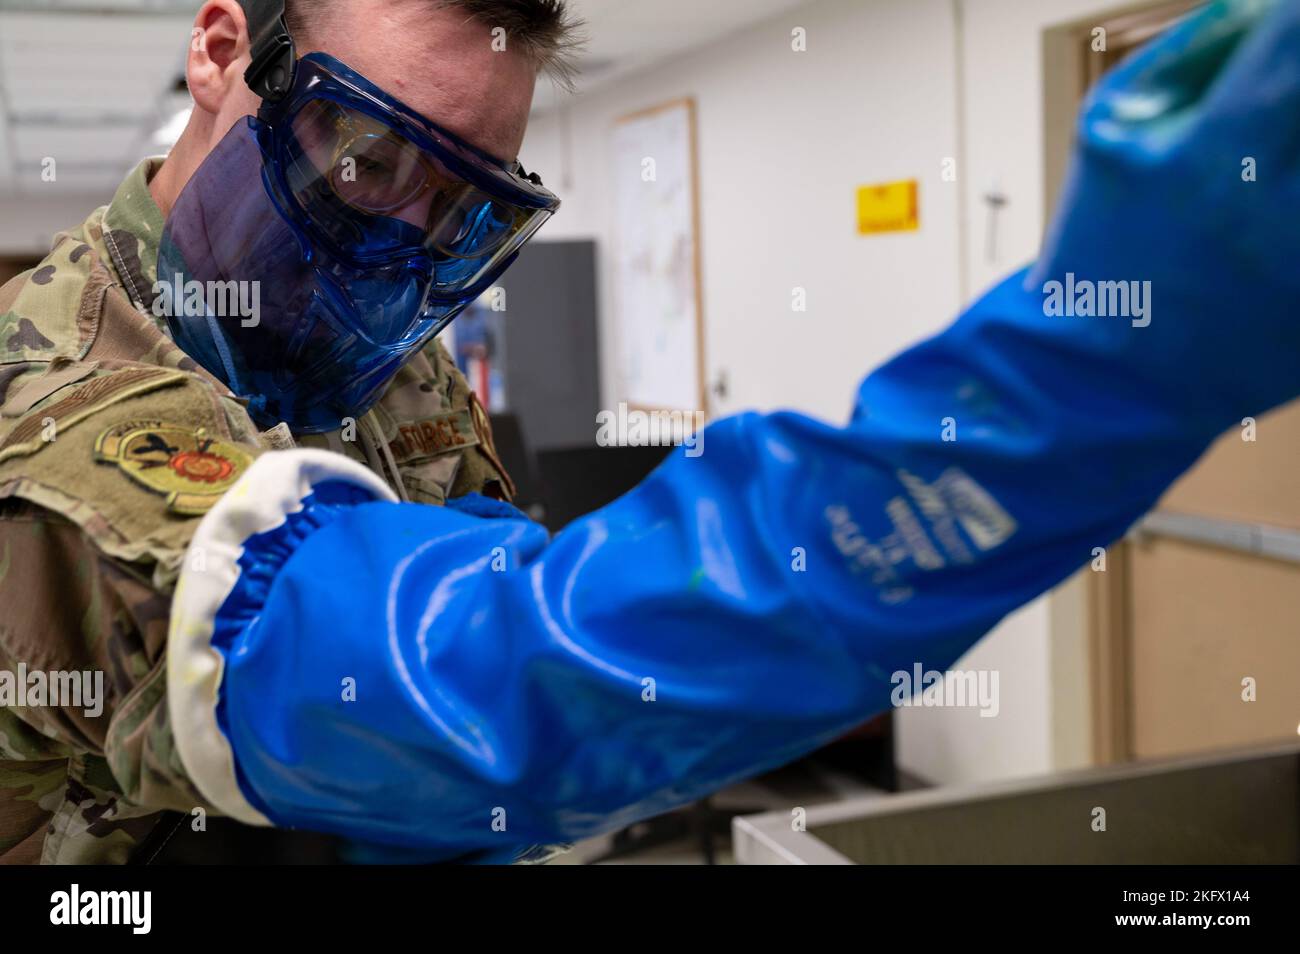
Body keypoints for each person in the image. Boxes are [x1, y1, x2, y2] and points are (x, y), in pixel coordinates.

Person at [0, 0, 1295, 865]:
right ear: (223, 52)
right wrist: (1092, 369)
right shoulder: (52, 409)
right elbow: (464, 678)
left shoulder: (342, 349)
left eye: (459, 201)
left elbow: (506, 609)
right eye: (362, 157)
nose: (399, 241)